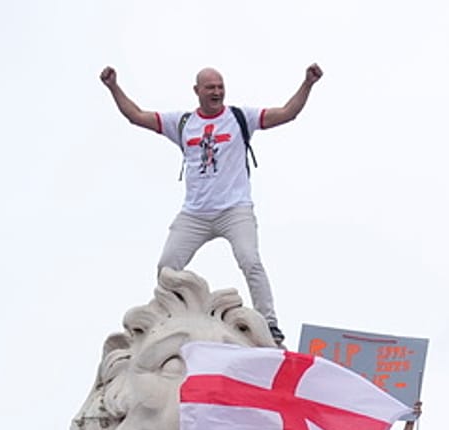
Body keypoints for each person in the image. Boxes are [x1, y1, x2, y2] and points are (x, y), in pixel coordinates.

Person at [99, 63, 323, 345]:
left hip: (234, 209)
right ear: (197, 91)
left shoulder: (241, 117)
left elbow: (286, 113)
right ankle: (169, 319)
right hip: (195, 213)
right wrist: (113, 87)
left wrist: (308, 83)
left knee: (251, 261)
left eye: (220, 87)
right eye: (210, 88)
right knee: (167, 266)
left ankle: (269, 323)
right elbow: (136, 116)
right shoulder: (181, 123)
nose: (217, 92)